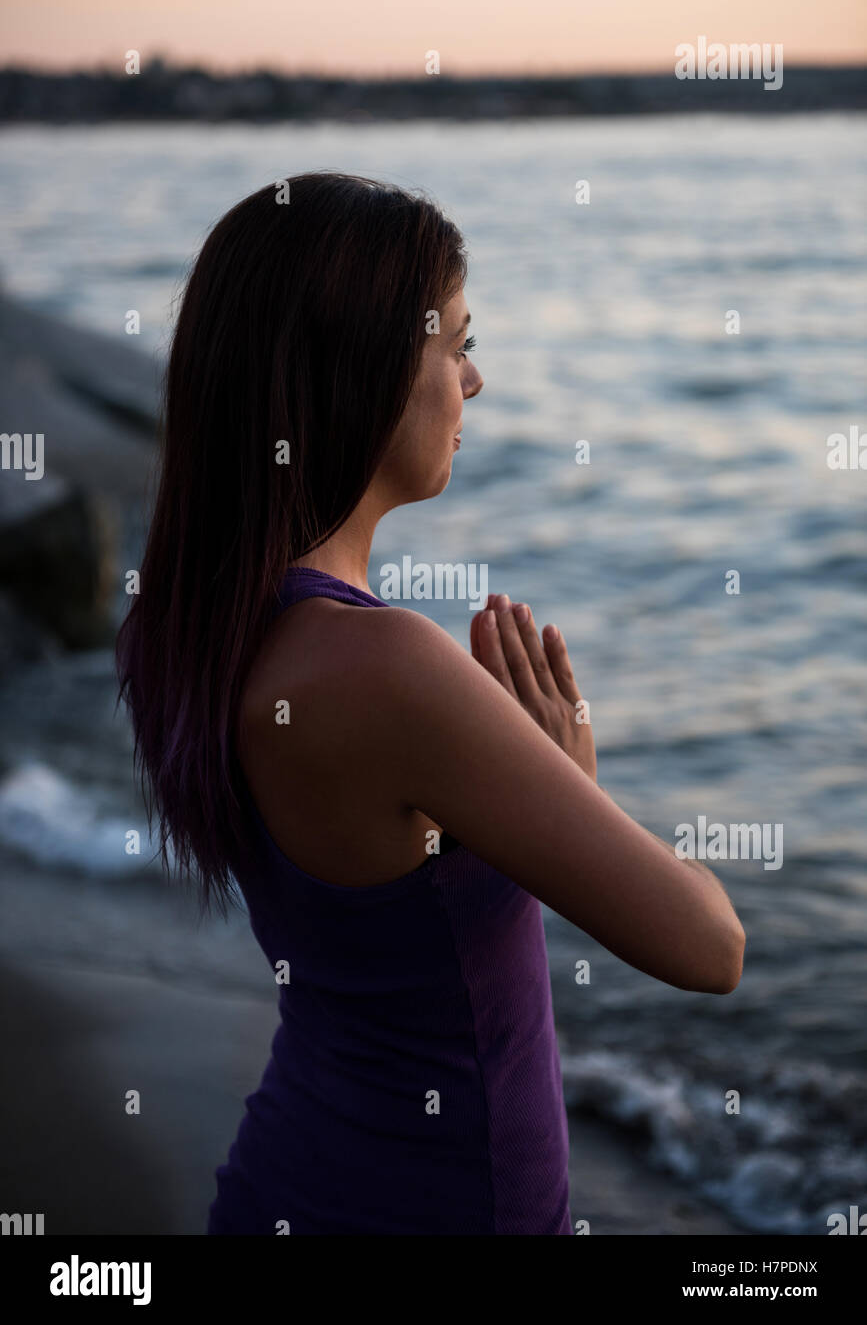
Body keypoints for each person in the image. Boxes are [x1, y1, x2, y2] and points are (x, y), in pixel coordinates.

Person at [116, 170, 745, 1236]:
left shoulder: (195, 628)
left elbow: (387, 929)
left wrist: (525, 794)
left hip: (305, 1178)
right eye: (455, 343)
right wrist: (570, 784)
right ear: (357, 368)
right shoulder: (383, 666)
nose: (477, 379)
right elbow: (709, 945)